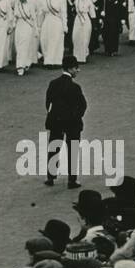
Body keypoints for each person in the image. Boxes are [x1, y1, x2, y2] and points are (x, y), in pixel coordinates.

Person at [44, 55, 86, 188]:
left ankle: (51, 177)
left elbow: (48, 103)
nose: (77, 71)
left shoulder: (53, 83)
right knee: (72, 150)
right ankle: (72, 180)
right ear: (70, 68)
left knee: (53, 148)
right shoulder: (75, 87)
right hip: (72, 123)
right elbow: (83, 105)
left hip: (56, 121)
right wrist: (76, 117)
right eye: (76, 68)